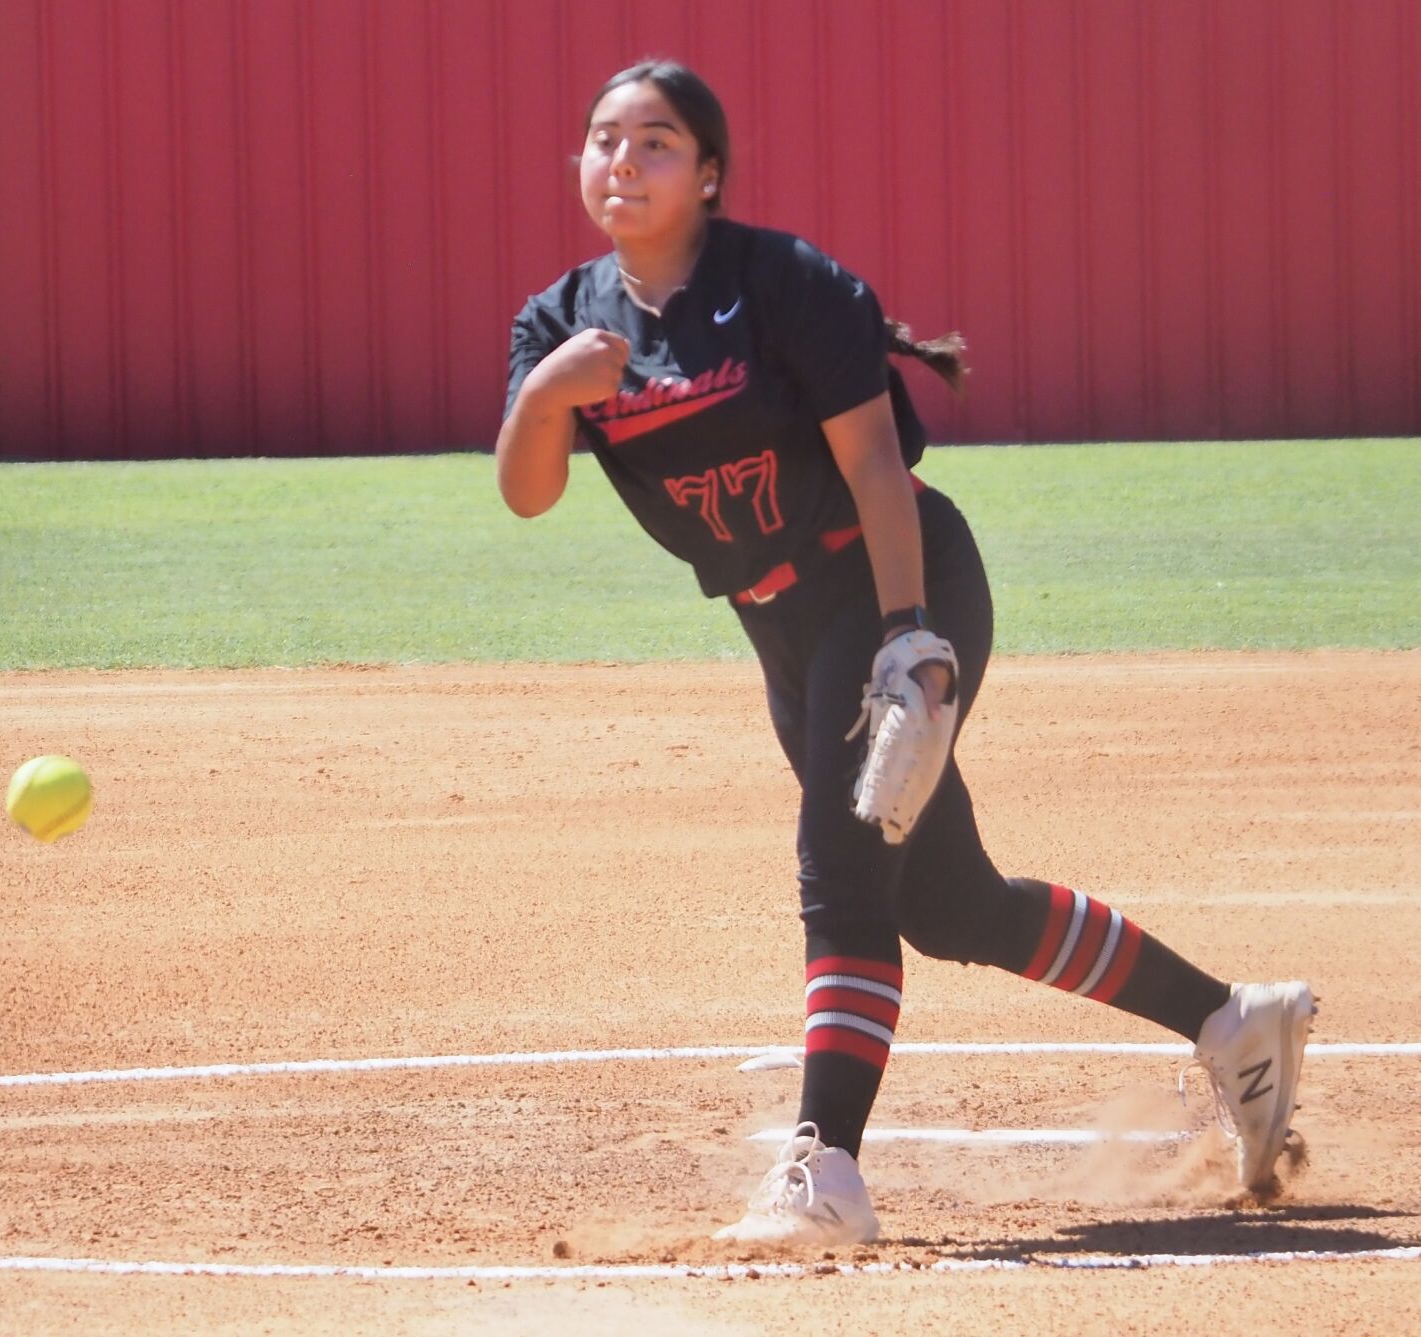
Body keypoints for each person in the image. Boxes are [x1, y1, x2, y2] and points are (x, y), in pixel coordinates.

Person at [496, 58, 1314, 1246]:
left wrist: (909, 641)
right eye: (604, 140)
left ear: (710, 173)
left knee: (839, 868)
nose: (623, 160)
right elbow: (527, 493)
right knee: (949, 901)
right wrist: (545, 398)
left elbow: (880, 467)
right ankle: (1233, 1019)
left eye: (657, 141)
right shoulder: (564, 322)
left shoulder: (779, 283)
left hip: (890, 584)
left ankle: (823, 1170)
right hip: (778, 625)